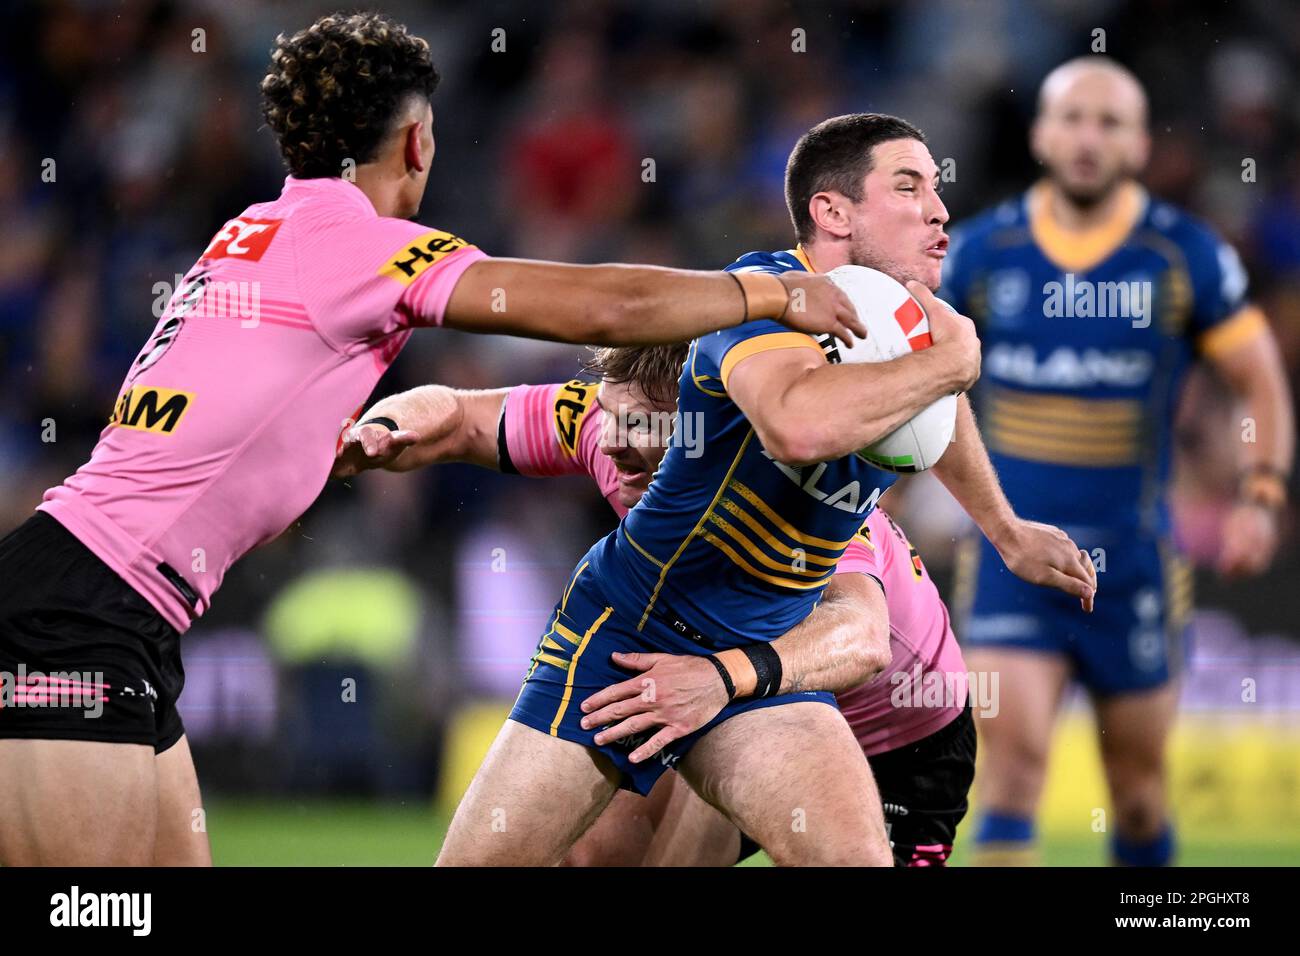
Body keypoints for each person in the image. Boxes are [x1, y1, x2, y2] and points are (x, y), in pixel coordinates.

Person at [0, 12, 865, 867]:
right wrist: (769, 295)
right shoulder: (358, 247)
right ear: (415, 142)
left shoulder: (248, 234)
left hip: (113, 610)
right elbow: (607, 310)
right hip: (79, 614)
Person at [429, 113, 1096, 867]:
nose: (938, 210)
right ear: (832, 211)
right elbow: (800, 427)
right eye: (908, 187)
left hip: (861, 707)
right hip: (673, 648)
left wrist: (1005, 529)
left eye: (936, 190)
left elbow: (934, 420)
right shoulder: (760, 306)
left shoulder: (900, 345)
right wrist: (951, 364)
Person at [337, 341, 977, 866]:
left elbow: (861, 636)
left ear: (713, 428)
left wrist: (719, 678)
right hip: (721, 676)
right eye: (612, 416)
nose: (612, 445)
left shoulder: (792, 490)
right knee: (597, 857)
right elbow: (458, 415)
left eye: (643, 428)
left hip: (901, 735)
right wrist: (385, 427)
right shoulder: (606, 426)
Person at [940, 56, 1295, 866]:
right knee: (1011, 778)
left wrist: (1261, 494)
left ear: (1139, 144)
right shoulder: (982, 252)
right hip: (1012, 557)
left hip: (1133, 563)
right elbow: (914, 375)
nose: (1088, 137)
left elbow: (1260, 382)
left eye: (1109, 122)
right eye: (1070, 117)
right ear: (1039, 135)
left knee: (1137, 795)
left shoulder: (1180, 258)